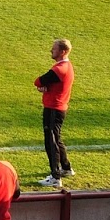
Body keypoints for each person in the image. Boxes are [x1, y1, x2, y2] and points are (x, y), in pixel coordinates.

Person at [35, 39, 75, 187]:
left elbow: (38, 81)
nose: (51, 50)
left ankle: (55, 176)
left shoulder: (58, 70)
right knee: (57, 139)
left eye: (54, 49)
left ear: (62, 51)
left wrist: (43, 86)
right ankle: (66, 168)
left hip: (53, 109)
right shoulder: (67, 67)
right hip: (59, 108)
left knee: (51, 142)